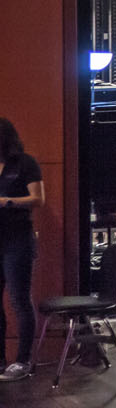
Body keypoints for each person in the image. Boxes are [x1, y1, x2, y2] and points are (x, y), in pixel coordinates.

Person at [0, 118, 43, 382]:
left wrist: (7, 202)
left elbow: (38, 199)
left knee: (19, 299)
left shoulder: (25, 163)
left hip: (18, 239)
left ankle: (23, 361)